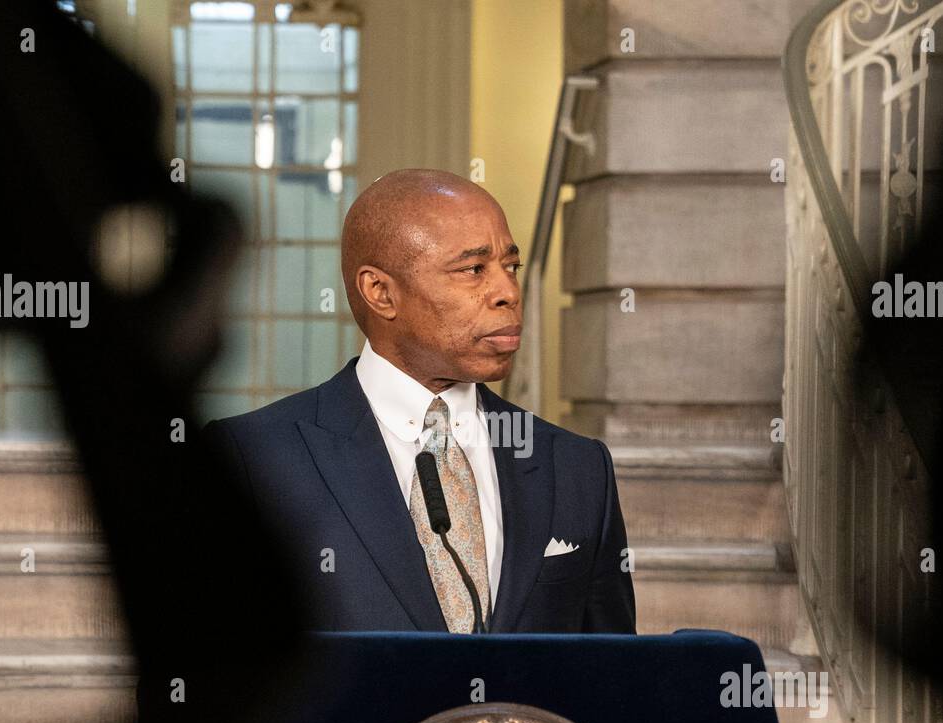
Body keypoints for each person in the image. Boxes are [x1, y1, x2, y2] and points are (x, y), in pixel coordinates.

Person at [205, 169, 635, 634]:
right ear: (381, 292)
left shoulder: (578, 468)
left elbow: (609, 680)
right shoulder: (251, 459)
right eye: (473, 269)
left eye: (511, 266)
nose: (508, 292)